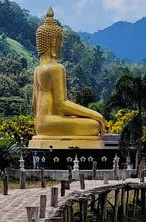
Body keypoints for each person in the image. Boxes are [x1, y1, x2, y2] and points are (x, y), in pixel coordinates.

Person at [30, 8, 105, 149]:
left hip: (40, 124)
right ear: (53, 41)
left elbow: (34, 104)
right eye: (60, 40)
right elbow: (61, 104)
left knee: (85, 121)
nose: (62, 45)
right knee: (94, 125)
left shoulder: (37, 69)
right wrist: (96, 114)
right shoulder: (56, 68)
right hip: (50, 124)